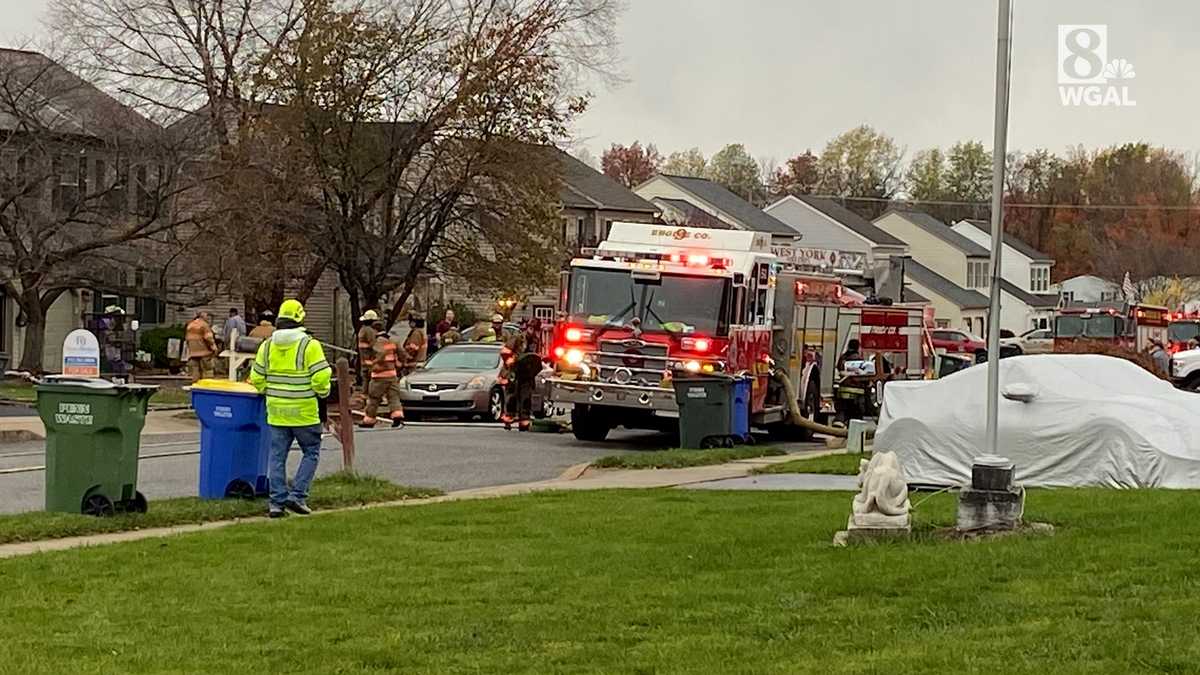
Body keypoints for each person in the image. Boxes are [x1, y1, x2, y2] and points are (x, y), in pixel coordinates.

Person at [249, 299, 332, 518]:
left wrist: (272, 392)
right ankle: (298, 496)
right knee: (311, 452)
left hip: (277, 412)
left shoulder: (266, 346)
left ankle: (276, 504)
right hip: (304, 412)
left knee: (276, 457)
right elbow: (322, 377)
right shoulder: (309, 345)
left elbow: (256, 377)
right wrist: (321, 393)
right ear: (299, 319)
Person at [361, 326, 405, 428]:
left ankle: (369, 420)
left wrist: (373, 364)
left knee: (374, 399)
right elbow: (402, 354)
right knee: (393, 397)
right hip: (392, 375)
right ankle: (397, 416)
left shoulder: (378, 342)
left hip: (379, 376)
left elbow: (381, 353)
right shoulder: (393, 341)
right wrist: (400, 364)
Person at [185, 310, 217, 382]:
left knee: (195, 370)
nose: (207, 317)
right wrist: (213, 347)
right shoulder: (204, 325)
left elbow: (187, 338)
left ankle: (196, 386)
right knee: (207, 370)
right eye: (206, 316)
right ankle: (207, 387)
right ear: (203, 316)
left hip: (193, 352)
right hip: (204, 351)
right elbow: (209, 338)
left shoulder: (190, 325)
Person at [356, 310, 380, 384]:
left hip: (364, 359)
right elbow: (374, 345)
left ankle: (364, 392)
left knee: (365, 379)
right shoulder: (369, 331)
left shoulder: (362, 329)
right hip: (369, 359)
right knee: (370, 379)